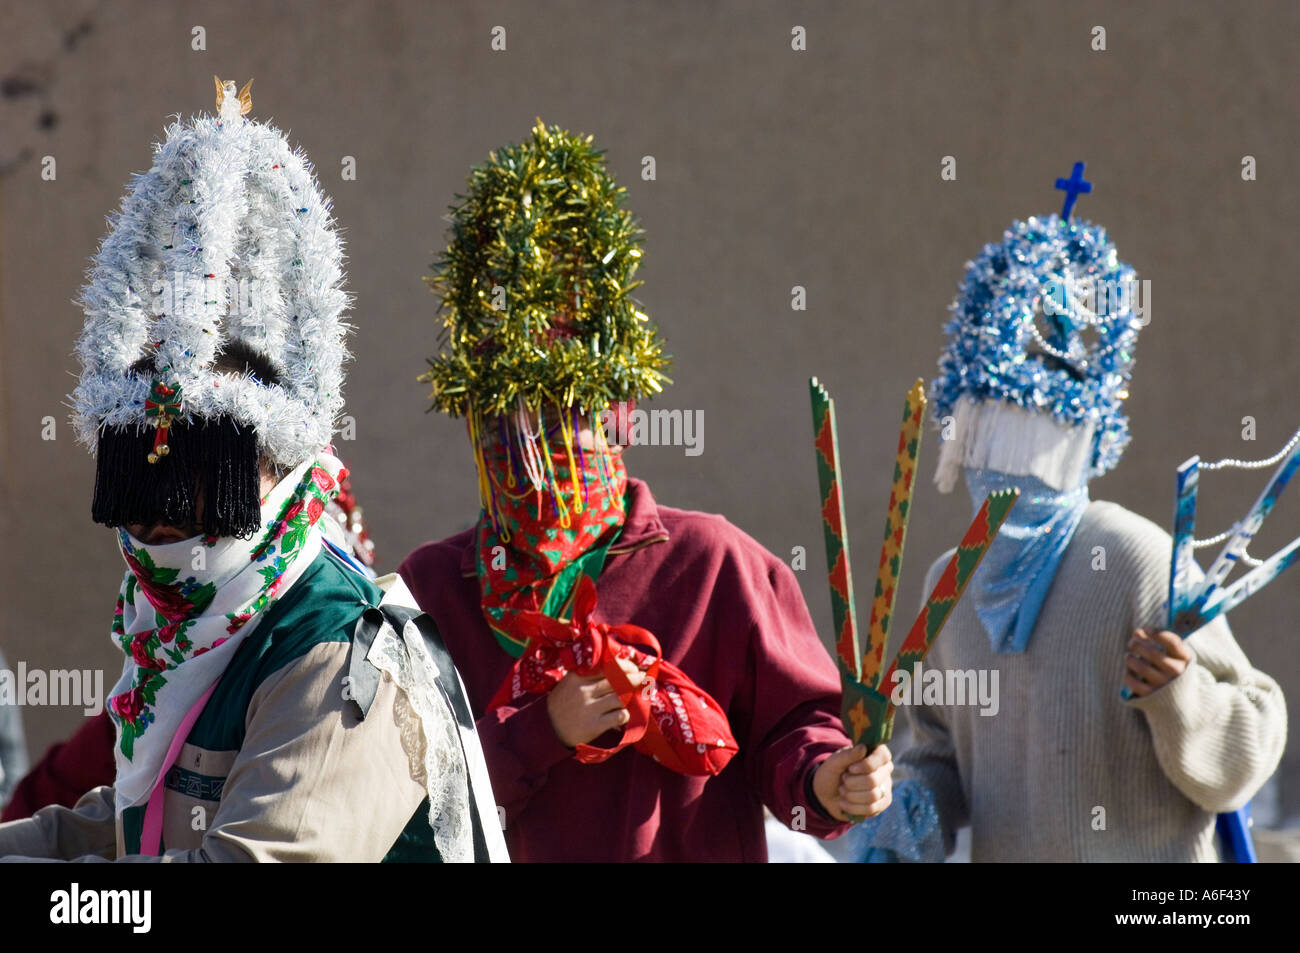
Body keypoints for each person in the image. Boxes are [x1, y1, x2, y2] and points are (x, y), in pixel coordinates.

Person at [0, 80, 505, 863]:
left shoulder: (339, 655)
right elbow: (144, 817)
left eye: (198, 499)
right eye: (138, 506)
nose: (162, 535)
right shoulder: (202, 637)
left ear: (271, 476)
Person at [398, 120, 892, 862]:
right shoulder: (431, 593)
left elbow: (798, 726)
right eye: (513, 426)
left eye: (574, 418)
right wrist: (539, 731)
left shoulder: (715, 566)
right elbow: (401, 802)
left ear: (620, 415)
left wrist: (826, 780)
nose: (544, 456)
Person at [848, 200, 1287, 862]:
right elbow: (940, 755)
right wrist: (898, 816)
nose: (1004, 469)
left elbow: (1249, 743)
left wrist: (1181, 696)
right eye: (988, 440)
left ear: (1077, 444)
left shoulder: (1135, 561)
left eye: (1028, 441)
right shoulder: (949, 584)